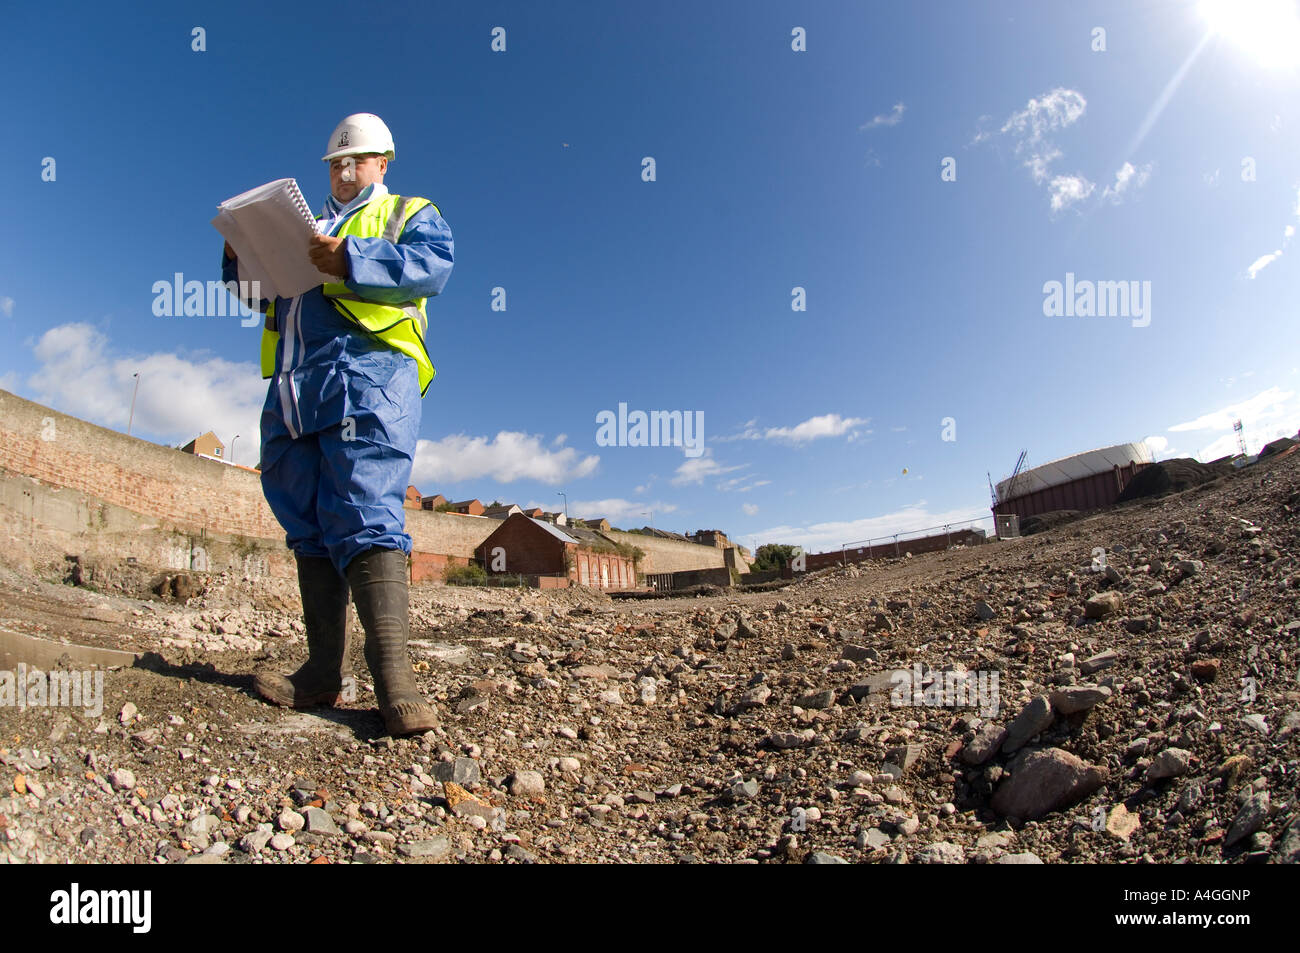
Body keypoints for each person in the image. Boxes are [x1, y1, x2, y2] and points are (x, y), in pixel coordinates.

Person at [222, 113, 453, 736]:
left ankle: (395, 683)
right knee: (309, 521)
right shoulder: (305, 225)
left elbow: (432, 266)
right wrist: (239, 261)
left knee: (366, 509)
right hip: (295, 388)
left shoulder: (408, 212)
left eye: (357, 161)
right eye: (335, 163)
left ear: (384, 163)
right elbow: (261, 297)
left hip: (368, 376)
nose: (345, 171)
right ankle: (321, 671)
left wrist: (350, 258)